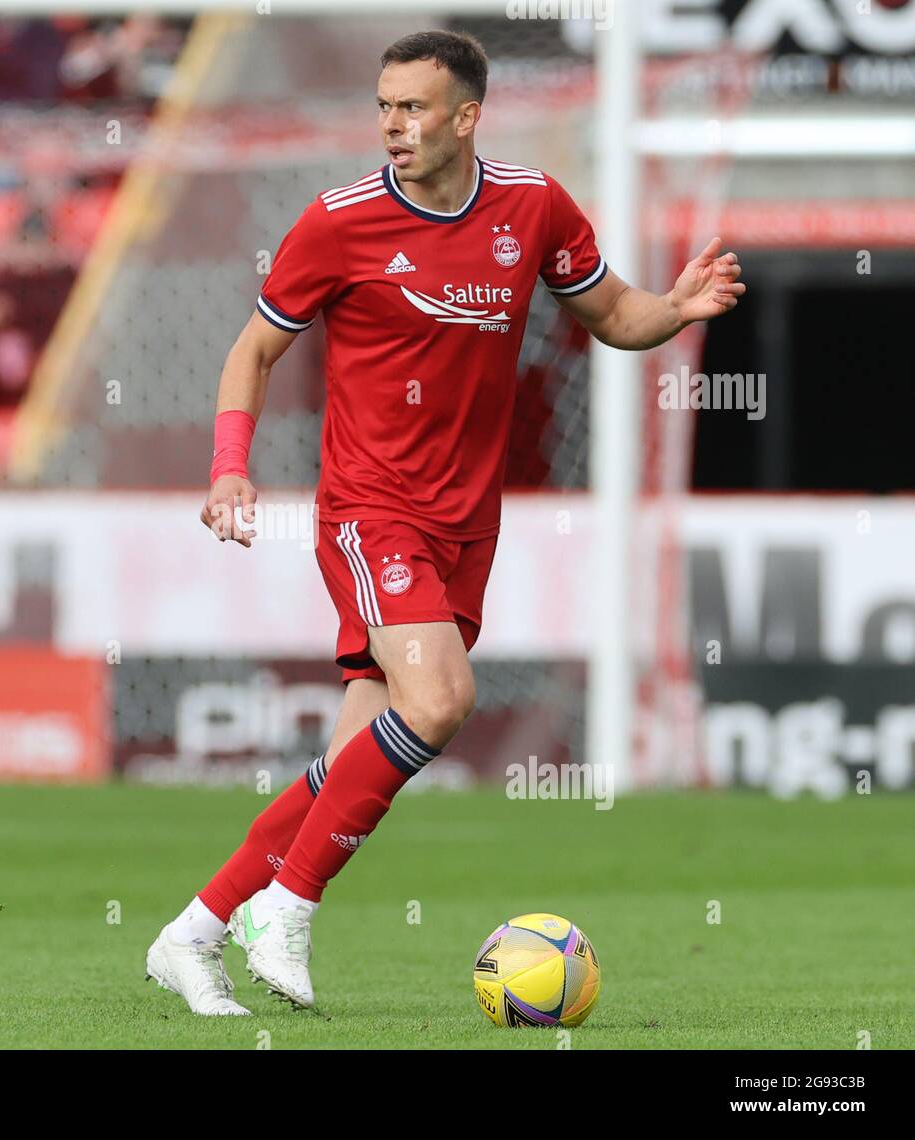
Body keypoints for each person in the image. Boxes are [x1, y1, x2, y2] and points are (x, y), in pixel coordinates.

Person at [145, 29, 745, 1016]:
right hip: (370, 510)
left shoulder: (532, 206)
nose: (392, 124)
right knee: (439, 701)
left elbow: (610, 314)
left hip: (468, 522)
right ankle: (286, 907)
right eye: (383, 106)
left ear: (466, 116)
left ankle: (195, 928)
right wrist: (229, 470)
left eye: (413, 107)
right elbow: (251, 351)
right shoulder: (337, 223)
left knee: (351, 759)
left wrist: (674, 309)